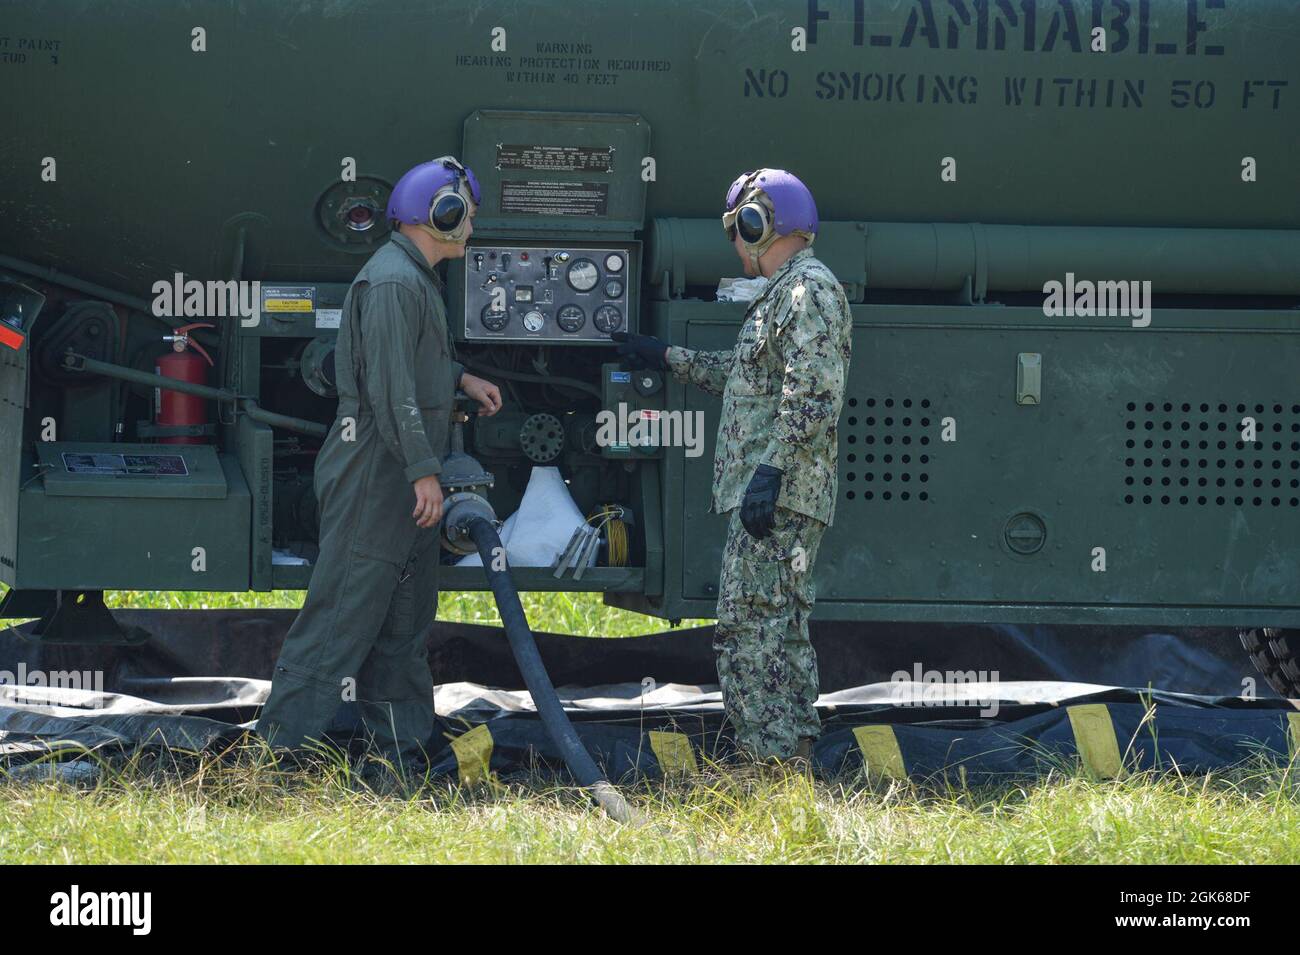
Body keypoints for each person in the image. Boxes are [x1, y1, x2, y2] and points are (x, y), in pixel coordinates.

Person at [257, 157, 502, 764]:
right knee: (342, 615)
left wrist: (461, 377)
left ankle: (401, 750)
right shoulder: (395, 281)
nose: (472, 223)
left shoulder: (415, 279)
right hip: (377, 470)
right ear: (442, 214)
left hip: (402, 468)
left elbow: (410, 367)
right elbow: (392, 392)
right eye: (466, 212)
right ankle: (276, 760)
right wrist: (424, 471)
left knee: (403, 621)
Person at [613, 168, 852, 762]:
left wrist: (770, 471)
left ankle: (766, 765)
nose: (735, 243)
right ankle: (789, 758)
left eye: (736, 229)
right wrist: (667, 357)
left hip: (779, 495)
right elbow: (752, 379)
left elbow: (815, 393)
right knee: (781, 627)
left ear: (758, 222)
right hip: (788, 493)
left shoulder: (806, 291)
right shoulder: (794, 292)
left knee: (748, 630)